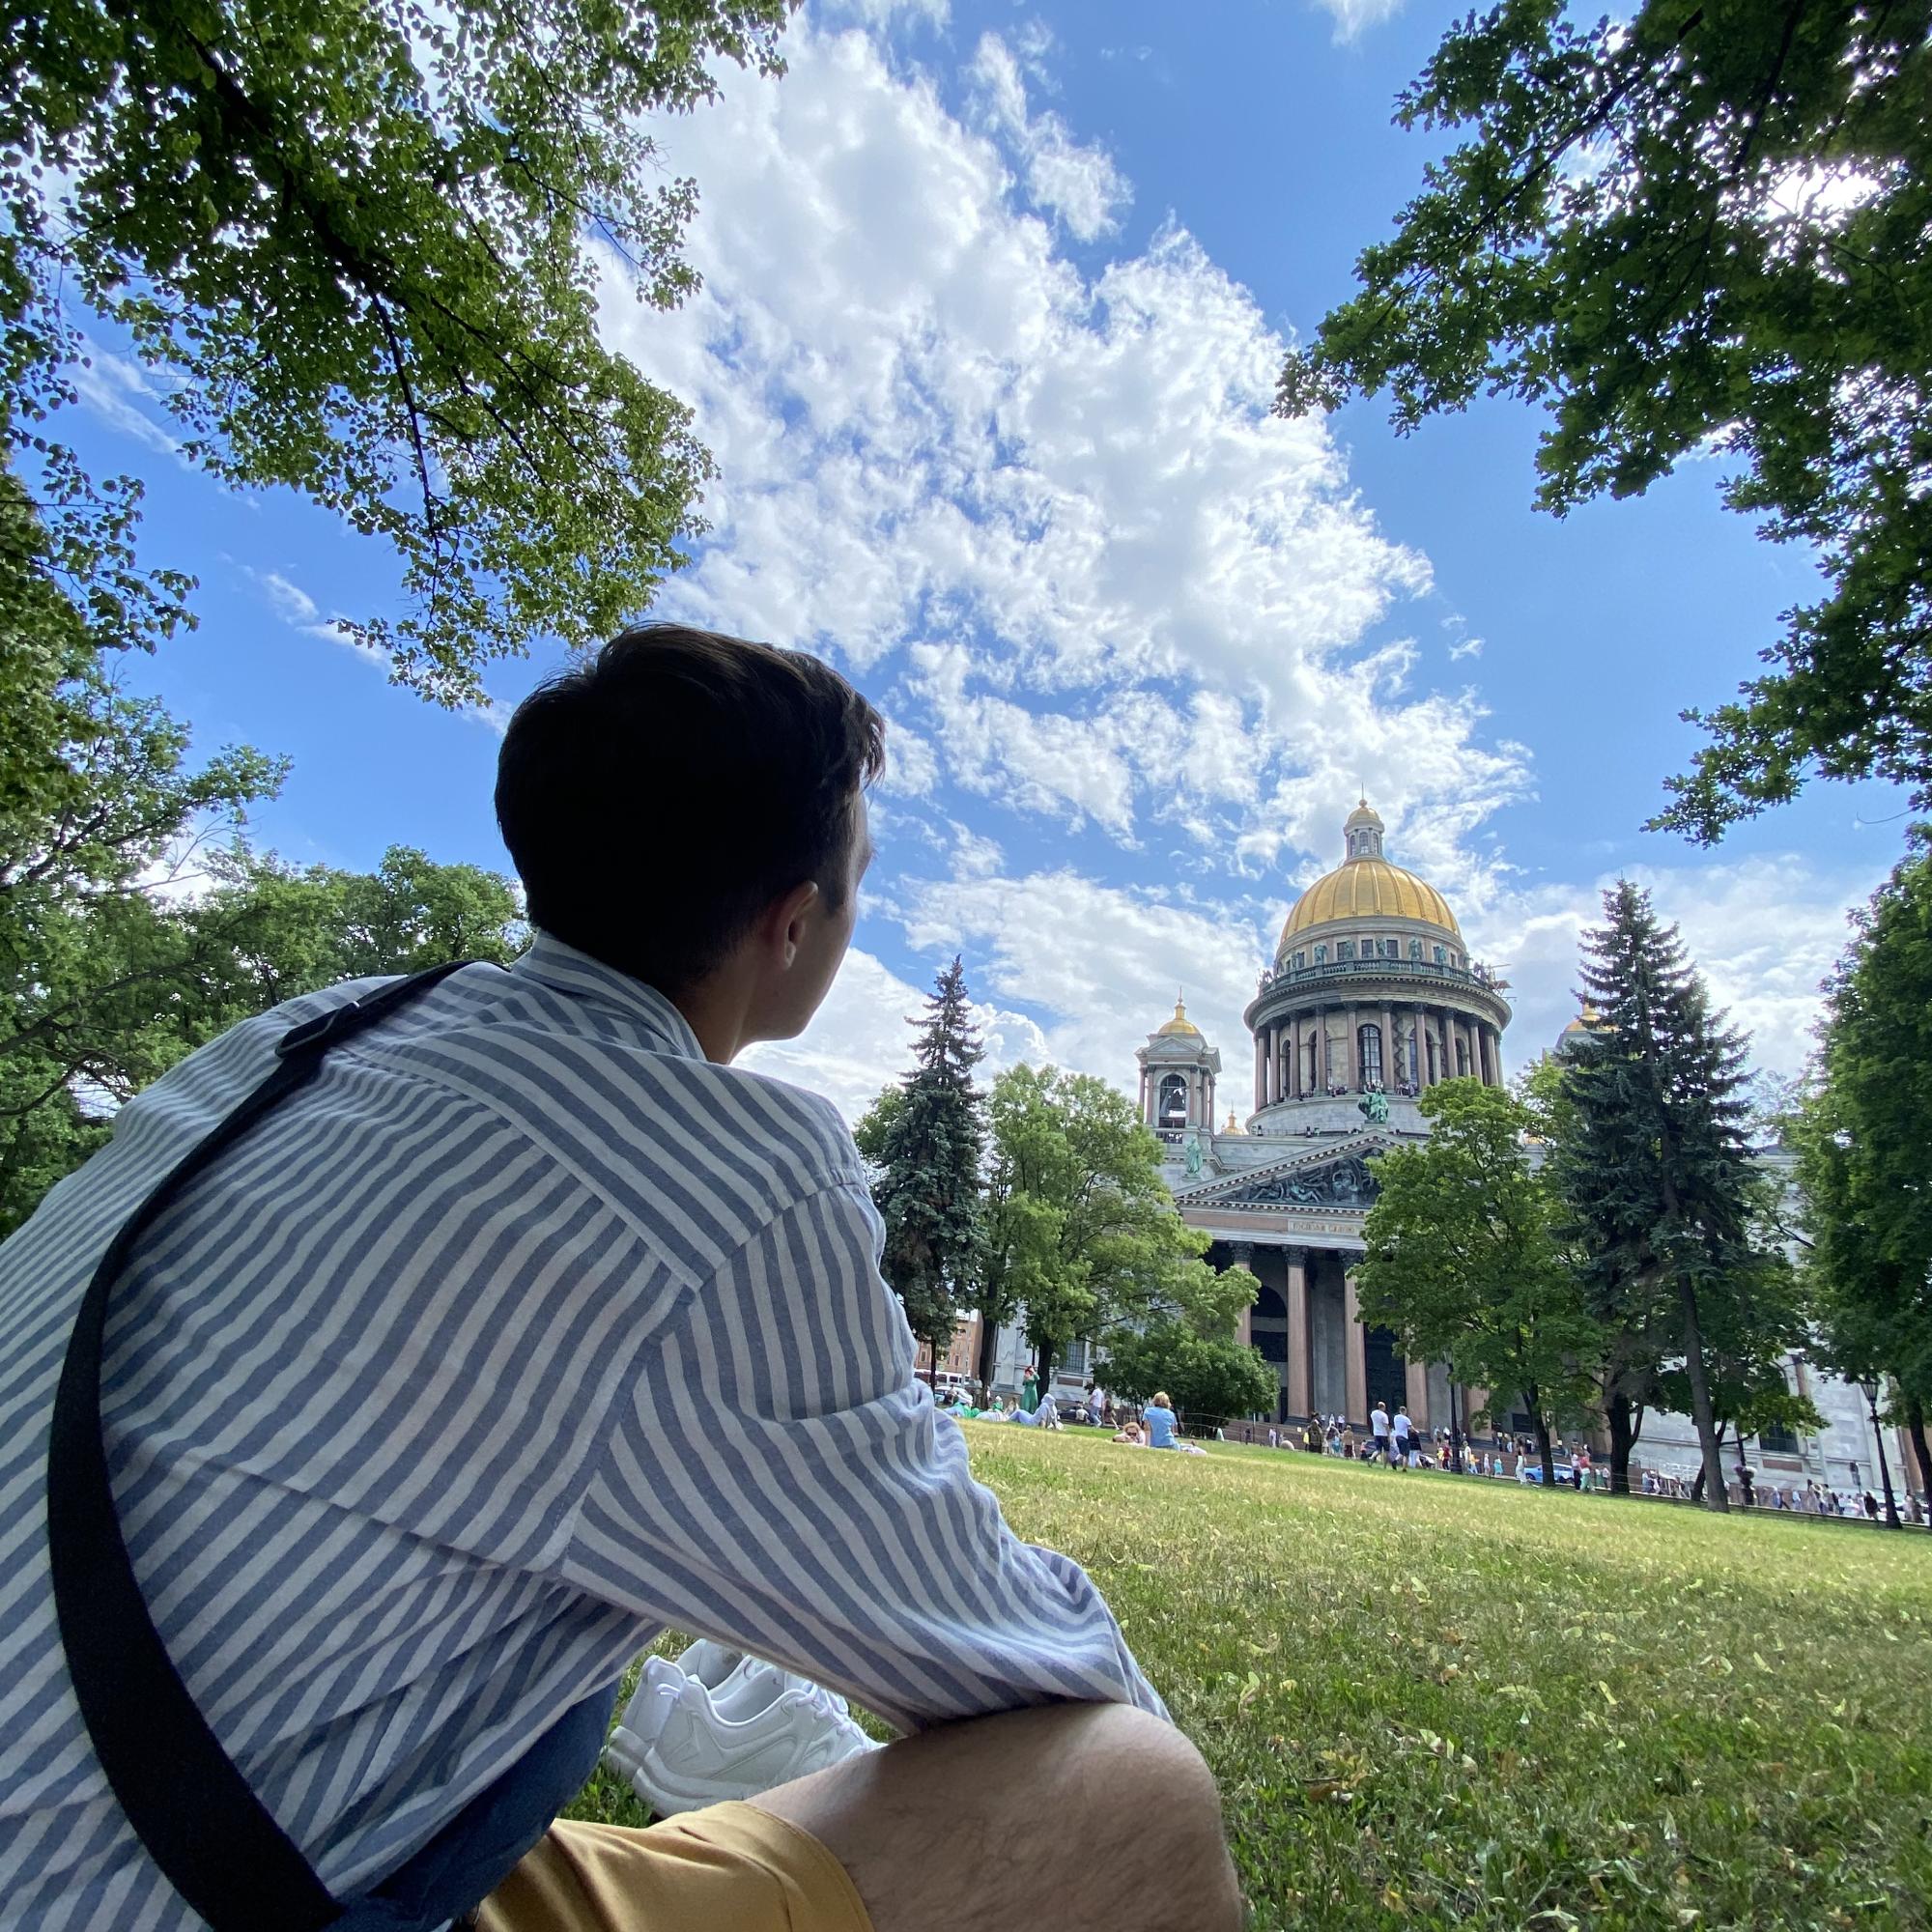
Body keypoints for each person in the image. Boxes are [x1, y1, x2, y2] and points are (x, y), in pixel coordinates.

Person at [0, 626, 1240, 1932]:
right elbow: (1007, 1646)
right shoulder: (730, 1182)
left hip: (107, 1822)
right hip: (144, 1898)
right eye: (859, 879)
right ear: (794, 923)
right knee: (1136, 1792)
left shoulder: (308, 1030)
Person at [1370, 1400, 1390, 1465]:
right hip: (1384, 1434)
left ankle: (1372, 1457)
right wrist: (1389, 1435)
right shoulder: (1384, 1415)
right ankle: (1384, 1465)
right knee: (1386, 1450)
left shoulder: (1373, 1413)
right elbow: (1386, 1426)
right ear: (1383, 1407)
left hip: (1376, 1433)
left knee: (1378, 1450)